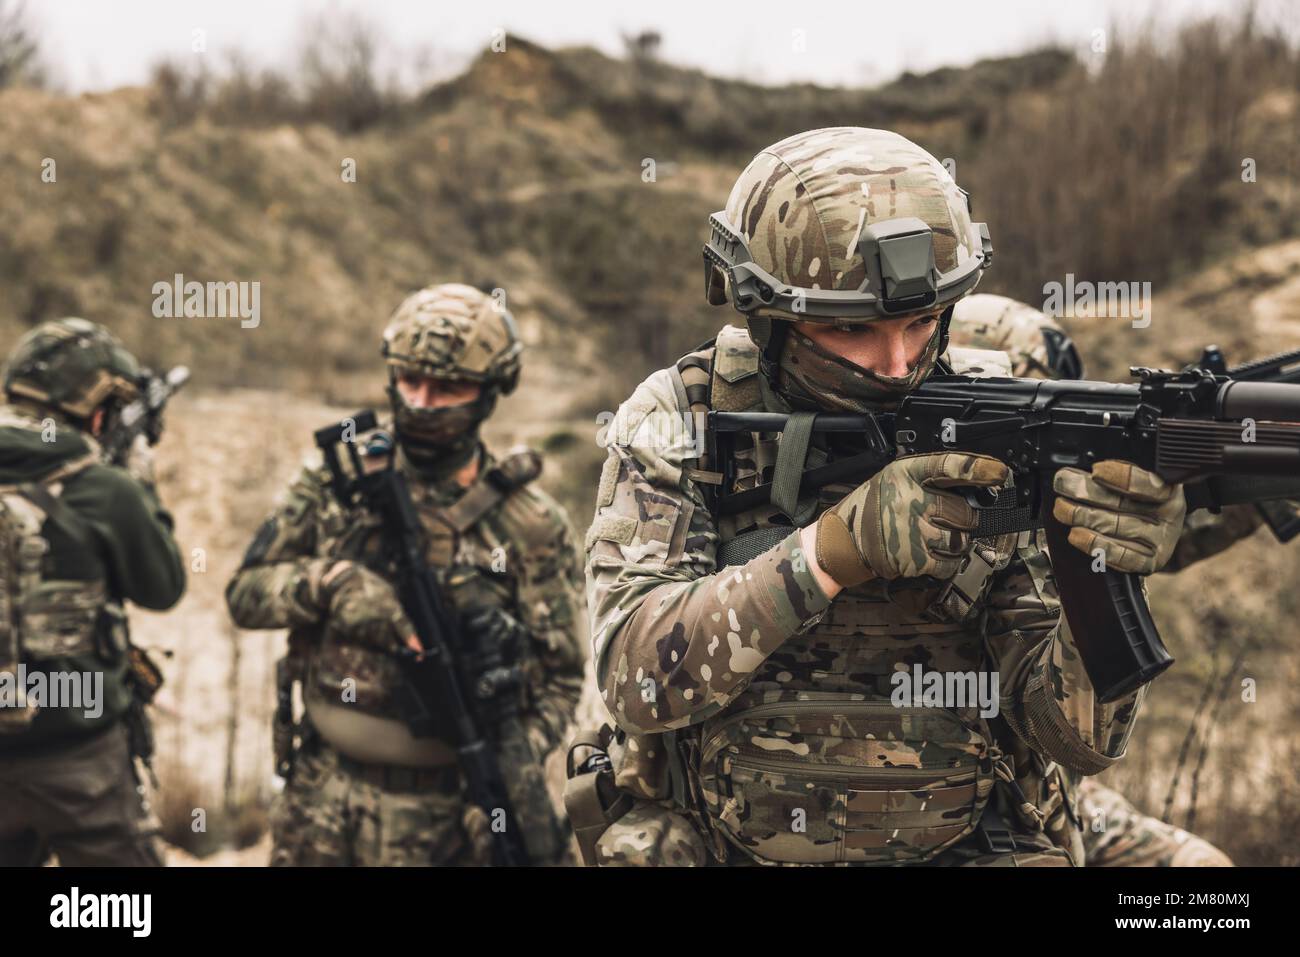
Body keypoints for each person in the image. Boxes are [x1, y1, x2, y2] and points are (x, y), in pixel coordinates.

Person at [582, 127, 1188, 866]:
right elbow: (633, 678)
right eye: (852, 330)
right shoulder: (683, 417)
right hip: (724, 842)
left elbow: (1074, 740)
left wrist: (1104, 565)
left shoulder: (996, 418)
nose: (898, 363)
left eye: (921, 321)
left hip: (969, 839)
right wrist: (830, 553)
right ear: (766, 315)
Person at [226, 283, 585, 866]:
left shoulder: (530, 524)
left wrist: (504, 764)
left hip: (448, 815)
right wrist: (329, 584)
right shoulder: (332, 483)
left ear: (492, 392)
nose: (420, 401)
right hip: (320, 798)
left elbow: (562, 678)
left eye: (447, 387)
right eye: (408, 381)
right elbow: (245, 594)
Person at [0, 317, 186, 866]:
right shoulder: (103, 488)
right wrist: (136, 476)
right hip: (78, 759)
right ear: (100, 413)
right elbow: (162, 586)